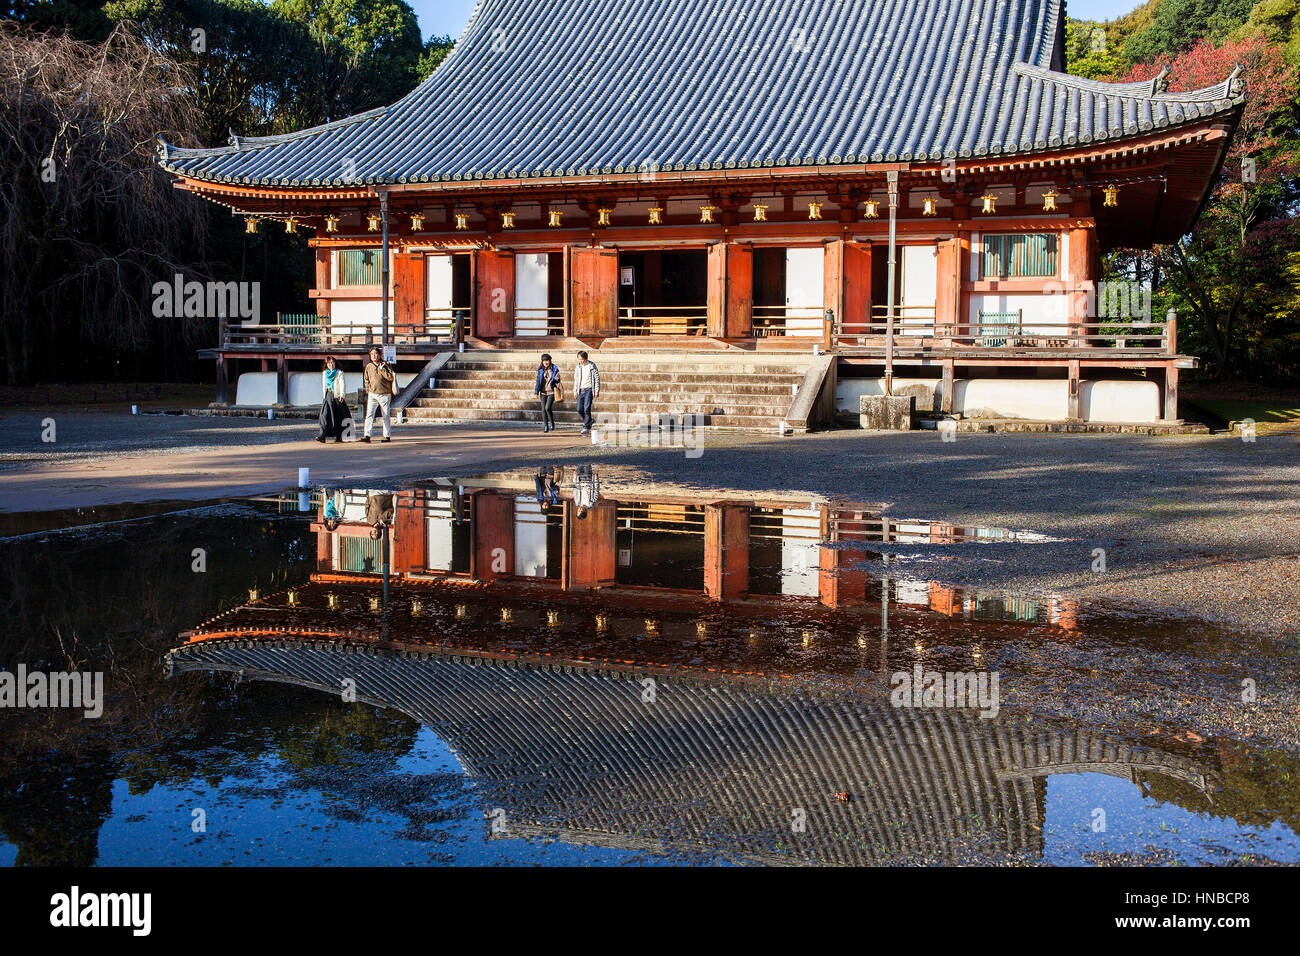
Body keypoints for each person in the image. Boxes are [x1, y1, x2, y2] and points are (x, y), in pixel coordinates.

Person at [362, 347, 398, 443]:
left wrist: (382, 369)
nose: (374, 356)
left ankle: (386, 435)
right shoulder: (369, 366)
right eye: (372, 354)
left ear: (380, 355)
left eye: (376, 354)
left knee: (385, 415)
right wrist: (368, 389)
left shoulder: (386, 364)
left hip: (385, 394)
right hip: (372, 393)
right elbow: (366, 379)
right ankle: (367, 435)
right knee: (369, 414)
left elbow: (390, 377)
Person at [315, 356, 349, 443]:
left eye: (332, 362)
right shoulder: (325, 373)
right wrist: (324, 397)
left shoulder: (339, 372)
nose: (331, 364)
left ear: (335, 363)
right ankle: (322, 435)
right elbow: (324, 386)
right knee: (324, 415)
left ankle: (338, 436)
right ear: (326, 364)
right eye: (329, 363)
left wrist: (342, 394)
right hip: (328, 395)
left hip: (337, 396)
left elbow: (342, 383)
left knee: (337, 416)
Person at [573, 350, 600, 436]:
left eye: (582, 359)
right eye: (579, 359)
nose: (581, 361)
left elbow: (597, 378)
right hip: (580, 389)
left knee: (586, 408)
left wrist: (596, 390)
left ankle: (586, 427)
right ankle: (590, 421)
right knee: (579, 409)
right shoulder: (578, 367)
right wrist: (575, 391)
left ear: (586, 358)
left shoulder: (591, 366)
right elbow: (576, 379)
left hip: (589, 389)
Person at [534, 353, 561, 432]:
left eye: (547, 360)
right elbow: (538, 381)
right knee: (543, 409)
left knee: (547, 408)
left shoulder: (554, 369)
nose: (546, 362)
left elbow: (557, 380)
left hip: (551, 391)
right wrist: (536, 392)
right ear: (542, 361)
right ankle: (546, 426)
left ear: (550, 361)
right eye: (544, 361)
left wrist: (557, 378)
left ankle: (552, 423)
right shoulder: (540, 370)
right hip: (543, 392)